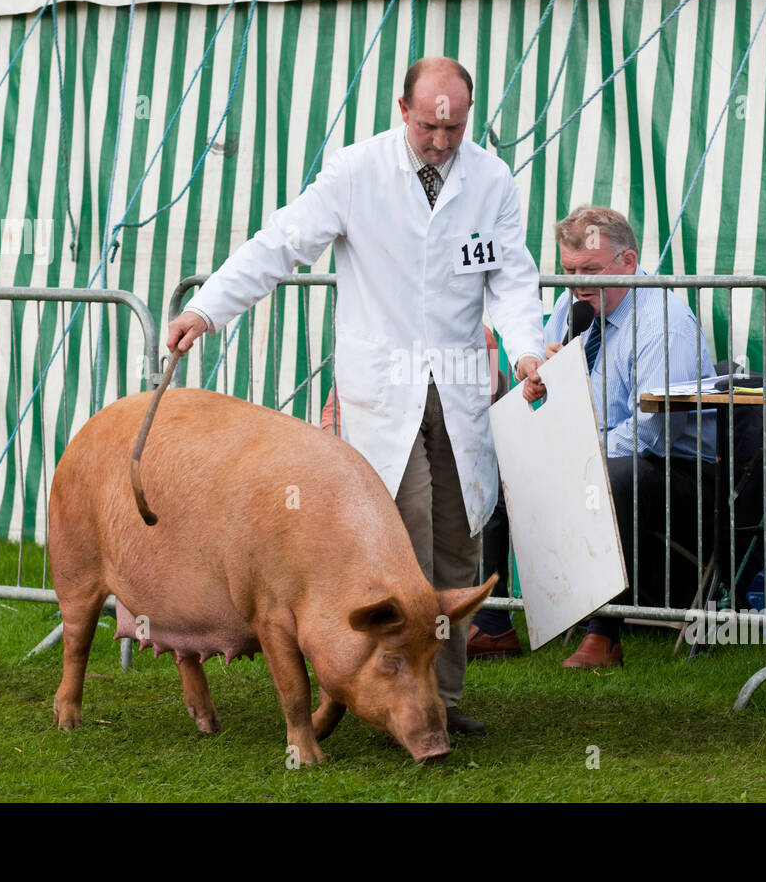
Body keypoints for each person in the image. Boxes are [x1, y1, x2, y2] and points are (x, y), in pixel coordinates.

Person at [168, 57, 548, 736]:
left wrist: (525, 349)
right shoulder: (355, 171)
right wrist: (206, 310)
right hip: (383, 392)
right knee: (401, 547)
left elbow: (512, 278)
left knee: (459, 545)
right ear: (402, 110)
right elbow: (280, 243)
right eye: (430, 126)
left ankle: (443, 699)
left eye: (454, 127)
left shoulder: (491, 180)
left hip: (458, 389)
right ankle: (381, 689)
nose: (441, 140)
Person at [542, 204, 717, 668]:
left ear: (628, 261)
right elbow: (548, 392)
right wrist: (544, 372)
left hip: (680, 472)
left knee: (612, 477)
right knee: (499, 462)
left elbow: (654, 432)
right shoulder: (570, 305)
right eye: (569, 270)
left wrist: (582, 456)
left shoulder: (664, 323)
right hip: (607, 453)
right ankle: (495, 623)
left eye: (591, 270)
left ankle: (604, 633)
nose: (578, 283)